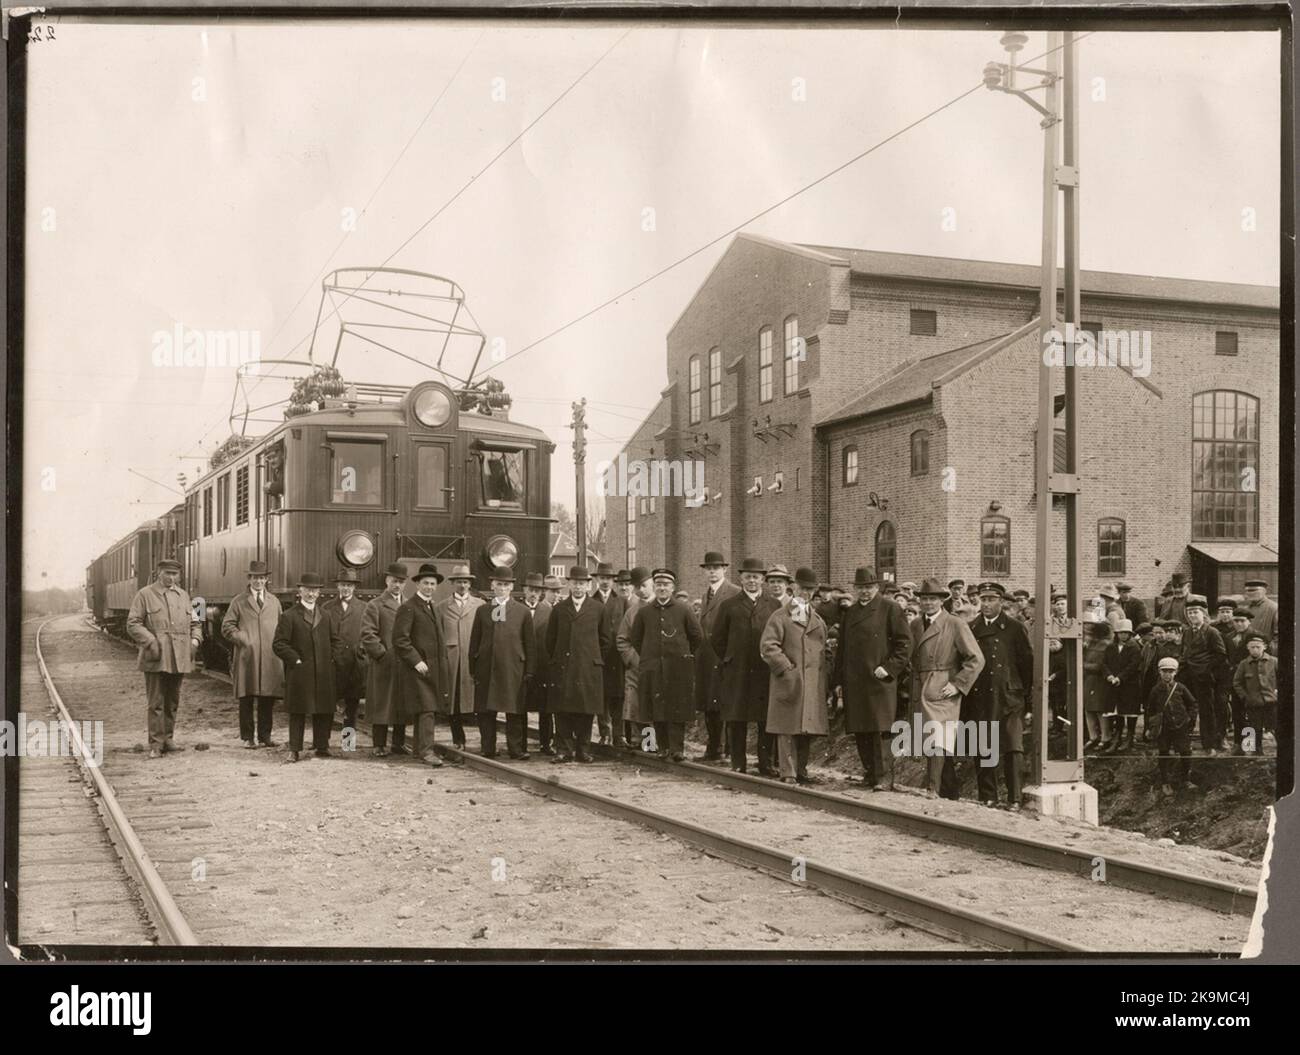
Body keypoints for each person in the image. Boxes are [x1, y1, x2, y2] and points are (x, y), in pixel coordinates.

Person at [833, 566, 911, 790]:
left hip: (880, 681)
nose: (865, 592)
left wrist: (889, 668)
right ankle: (869, 772)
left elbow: (904, 644)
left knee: (881, 729)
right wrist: (838, 681)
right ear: (855, 589)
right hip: (855, 681)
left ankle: (884, 777)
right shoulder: (851, 613)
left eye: (869, 587)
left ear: (877, 587)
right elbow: (842, 650)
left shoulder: (891, 609)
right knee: (861, 728)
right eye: (861, 588)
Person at [909, 578, 984, 799]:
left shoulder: (954, 623)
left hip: (942, 685)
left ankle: (934, 788)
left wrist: (958, 684)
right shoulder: (915, 624)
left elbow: (976, 659)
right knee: (925, 736)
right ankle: (943, 789)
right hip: (920, 683)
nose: (928, 603)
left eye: (933, 599)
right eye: (924, 599)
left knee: (938, 736)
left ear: (942, 601)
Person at [711, 557, 782, 776]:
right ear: (741, 578)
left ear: (763, 580)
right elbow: (717, 639)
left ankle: (765, 763)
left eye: (756, 577)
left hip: (763, 670)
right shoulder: (729, 605)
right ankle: (738, 762)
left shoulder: (774, 605)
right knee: (737, 717)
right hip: (737, 670)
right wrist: (730, 658)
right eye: (748, 577)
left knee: (764, 718)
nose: (752, 581)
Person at [761, 568, 831, 785]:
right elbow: (768, 646)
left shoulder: (817, 618)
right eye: (803, 589)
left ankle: (801, 770)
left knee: (806, 729)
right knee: (787, 728)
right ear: (794, 588)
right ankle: (788, 772)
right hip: (790, 682)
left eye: (811, 590)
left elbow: (823, 649)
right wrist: (786, 669)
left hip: (811, 683)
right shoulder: (781, 616)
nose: (806, 593)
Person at [965, 582, 1033, 808]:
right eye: (983, 599)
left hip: (1009, 697)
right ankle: (988, 796)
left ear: (1001, 602)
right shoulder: (972, 628)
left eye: (991, 599)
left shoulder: (1014, 627)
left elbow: (1027, 664)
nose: (986, 604)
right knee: (984, 745)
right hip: (981, 696)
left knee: (1013, 747)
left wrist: (1026, 700)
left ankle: (1015, 798)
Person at [126, 558, 202, 759]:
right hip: (156, 656)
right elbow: (133, 623)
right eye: (167, 573)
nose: (171, 577)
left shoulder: (184, 596)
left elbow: (196, 622)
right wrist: (150, 641)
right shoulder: (145, 595)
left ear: (179, 576)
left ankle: (168, 738)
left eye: (175, 574)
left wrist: (195, 641)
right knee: (156, 701)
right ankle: (156, 744)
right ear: (158, 573)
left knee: (172, 700)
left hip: (179, 657)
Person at [630, 569, 702, 762]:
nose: (662, 588)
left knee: (677, 709)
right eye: (659, 584)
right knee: (657, 708)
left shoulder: (684, 609)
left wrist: (683, 656)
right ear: (654, 587)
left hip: (678, 668)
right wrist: (650, 656)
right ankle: (662, 748)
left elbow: (697, 637)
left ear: (673, 588)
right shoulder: (645, 612)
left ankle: (677, 749)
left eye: (666, 585)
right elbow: (635, 639)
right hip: (652, 668)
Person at [545, 566, 608, 763]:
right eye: (574, 583)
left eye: (582, 583)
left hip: (588, 669)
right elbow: (550, 640)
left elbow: (606, 640)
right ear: (569, 585)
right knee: (563, 710)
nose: (578, 587)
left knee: (585, 710)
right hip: (564, 668)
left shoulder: (598, 609)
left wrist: (592, 658)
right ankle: (563, 750)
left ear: (588, 585)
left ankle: (583, 750)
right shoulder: (559, 609)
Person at [272, 573, 338, 763]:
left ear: (319, 593)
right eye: (308, 590)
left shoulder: (326, 615)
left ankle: (322, 746)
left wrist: (331, 659)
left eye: (315, 590)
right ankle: (294, 749)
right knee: (298, 711)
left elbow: (336, 641)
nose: (311, 593)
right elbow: (279, 644)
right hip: (300, 672)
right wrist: (296, 660)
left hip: (323, 671)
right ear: (300, 591)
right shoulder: (289, 616)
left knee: (323, 709)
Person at [469, 570, 534, 759]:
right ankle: (487, 747)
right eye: (499, 584)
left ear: (512, 587)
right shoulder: (483, 611)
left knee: (514, 710)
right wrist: (473, 666)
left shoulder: (522, 612)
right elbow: (475, 641)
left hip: (512, 668)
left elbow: (530, 643)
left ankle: (515, 749)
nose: (502, 588)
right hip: (486, 667)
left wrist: (529, 669)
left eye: (506, 585)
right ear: (492, 585)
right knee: (485, 710)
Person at [392, 564, 452, 767]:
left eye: (432, 584)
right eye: (425, 583)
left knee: (426, 709)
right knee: (427, 708)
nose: (429, 587)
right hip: (418, 668)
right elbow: (400, 639)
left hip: (432, 668)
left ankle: (420, 749)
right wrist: (416, 661)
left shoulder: (432, 607)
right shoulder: (408, 607)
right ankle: (427, 751)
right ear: (417, 584)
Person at [221, 559, 284, 749]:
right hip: (247, 656)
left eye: (262, 578)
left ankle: (265, 736)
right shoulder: (238, 601)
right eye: (255, 578)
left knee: (268, 698)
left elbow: (282, 627)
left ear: (266, 580)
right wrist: (242, 638)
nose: (258, 581)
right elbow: (226, 626)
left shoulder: (274, 602)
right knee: (246, 697)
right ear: (249, 579)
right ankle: (248, 737)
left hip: (270, 657)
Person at [360, 563, 409, 757]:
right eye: (394, 581)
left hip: (404, 662)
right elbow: (367, 633)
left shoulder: (408, 604)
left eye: (401, 582)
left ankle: (398, 743)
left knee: (401, 704)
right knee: (381, 705)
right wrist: (382, 654)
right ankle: (378, 744)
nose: (397, 585)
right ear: (387, 581)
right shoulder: (375, 605)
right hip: (384, 663)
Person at [695, 551, 740, 762]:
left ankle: (729, 749)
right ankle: (714, 748)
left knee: (726, 704)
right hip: (707, 658)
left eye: (716, 568)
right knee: (710, 705)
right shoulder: (705, 595)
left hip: (724, 657)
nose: (712, 572)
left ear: (724, 569)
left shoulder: (733, 592)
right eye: (709, 569)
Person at [437, 565, 483, 749]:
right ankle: (458, 740)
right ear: (452, 584)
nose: (462, 585)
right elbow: (439, 635)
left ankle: (485, 742)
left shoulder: (480, 605)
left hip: (473, 660)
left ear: (470, 584)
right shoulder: (441, 607)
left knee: (477, 702)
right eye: (458, 582)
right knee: (453, 703)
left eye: (465, 582)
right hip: (452, 661)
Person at [1180, 595, 1228, 754]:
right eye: (1189, 613)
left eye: (1195, 612)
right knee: (1187, 708)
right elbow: (1184, 653)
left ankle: (1210, 745)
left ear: (1203, 614)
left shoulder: (1212, 632)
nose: (1192, 615)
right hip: (1188, 676)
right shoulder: (1187, 632)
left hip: (1204, 678)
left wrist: (1206, 669)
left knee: (1207, 711)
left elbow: (1220, 655)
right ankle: (1183, 743)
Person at [324, 568, 367, 741]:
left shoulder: (364, 607)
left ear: (354, 587)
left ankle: (348, 742)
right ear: (337, 586)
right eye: (342, 585)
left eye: (349, 585)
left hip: (354, 664)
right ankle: (322, 742)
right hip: (333, 663)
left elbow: (368, 632)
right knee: (327, 705)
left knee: (352, 705)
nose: (346, 589)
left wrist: (362, 650)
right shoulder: (327, 607)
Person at [1148, 657, 1197, 796]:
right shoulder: (1156, 690)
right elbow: (1150, 710)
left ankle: (1186, 779)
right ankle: (1165, 782)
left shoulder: (1181, 688)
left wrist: (1189, 720)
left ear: (1175, 672)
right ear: (1159, 672)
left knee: (1186, 752)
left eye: (1170, 671)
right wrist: (1149, 728)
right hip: (1163, 728)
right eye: (1164, 671)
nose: (1167, 674)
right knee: (1163, 753)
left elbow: (1192, 704)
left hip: (1181, 726)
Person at [617, 566, 654, 749]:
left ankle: (652, 743)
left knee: (654, 707)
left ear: (652, 583)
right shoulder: (632, 611)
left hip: (659, 668)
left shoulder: (663, 606)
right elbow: (622, 639)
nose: (641, 590)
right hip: (637, 667)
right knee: (636, 706)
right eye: (637, 587)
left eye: (644, 585)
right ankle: (640, 742)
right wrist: (633, 659)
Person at [592, 562, 627, 747]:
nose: (605, 582)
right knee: (601, 697)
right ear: (597, 580)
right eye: (602, 578)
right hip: (598, 656)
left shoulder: (622, 601)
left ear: (613, 581)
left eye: (609, 579)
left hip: (616, 657)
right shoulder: (591, 601)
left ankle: (618, 735)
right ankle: (604, 733)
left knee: (618, 697)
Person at [520, 571, 554, 754]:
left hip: (543, 667)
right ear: (524, 590)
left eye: (537, 590)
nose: (533, 593)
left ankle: (545, 743)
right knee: (521, 706)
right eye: (530, 589)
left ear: (541, 592)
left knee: (545, 707)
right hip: (522, 666)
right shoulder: (516, 609)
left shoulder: (548, 611)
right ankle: (521, 743)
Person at [1232, 633, 1277, 756]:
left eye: (1258, 647)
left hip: (1272, 701)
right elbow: (1237, 683)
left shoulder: (1273, 662)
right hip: (1253, 702)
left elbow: (1284, 679)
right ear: (1248, 648)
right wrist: (1245, 697)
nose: (1255, 649)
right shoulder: (1244, 664)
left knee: (1277, 726)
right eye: (1252, 647)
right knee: (1253, 728)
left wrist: (1277, 692)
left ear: (1265, 647)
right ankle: (1255, 751)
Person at [1104, 619, 1144, 752]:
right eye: (1121, 633)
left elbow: (1133, 666)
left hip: (1129, 685)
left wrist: (1120, 678)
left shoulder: (1134, 647)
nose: (1123, 636)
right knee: (1118, 711)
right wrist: (1109, 675)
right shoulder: (1110, 647)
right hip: (1113, 684)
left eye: (1126, 633)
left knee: (1130, 711)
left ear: (1130, 634)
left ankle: (1130, 737)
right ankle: (1117, 737)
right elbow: (1104, 663)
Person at [1082, 618, 1113, 751]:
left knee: (1100, 709)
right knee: (1089, 709)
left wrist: (1083, 665)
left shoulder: (1106, 645)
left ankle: (1105, 737)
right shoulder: (1091, 644)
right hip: (1089, 680)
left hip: (1100, 681)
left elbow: (1101, 665)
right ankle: (1093, 736)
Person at [1242, 579, 1277, 652]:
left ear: (1264, 591)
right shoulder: (1246, 609)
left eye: (1254, 590)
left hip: (1265, 651)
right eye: (1248, 591)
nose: (1250, 593)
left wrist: (1270, 650)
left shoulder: (1274, 608)